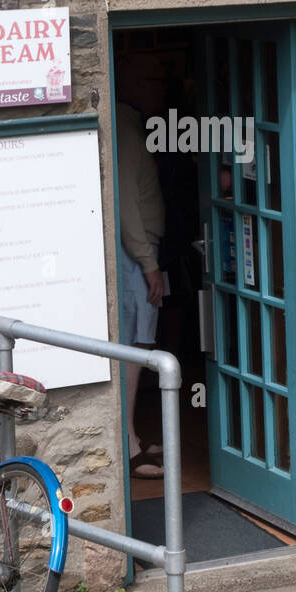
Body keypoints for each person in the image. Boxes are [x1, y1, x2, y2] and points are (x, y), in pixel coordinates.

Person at [116, 53, 167, 478]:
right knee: (135, 347)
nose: (160, 88)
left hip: (140, 255)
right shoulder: (127, 132)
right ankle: (129, 445)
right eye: (151, 78)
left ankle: (130, 435)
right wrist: (149, 263)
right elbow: (128, 210)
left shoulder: (129, 126)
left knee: (137, 346)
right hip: (137, 257)